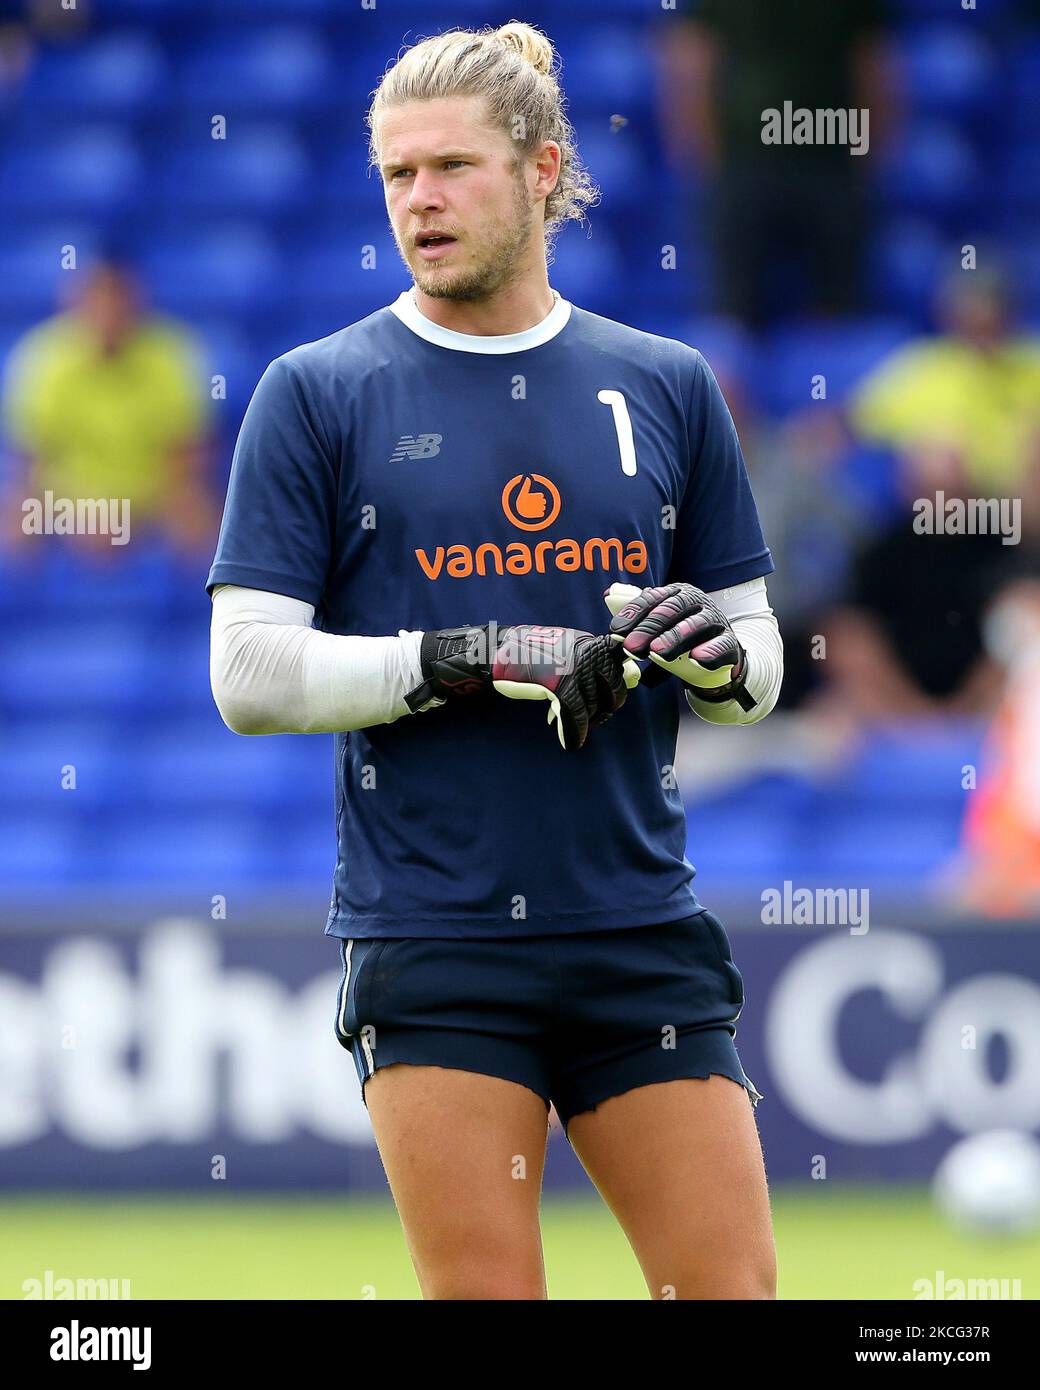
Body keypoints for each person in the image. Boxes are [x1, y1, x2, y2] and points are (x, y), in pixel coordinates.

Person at [207, 23, 783, 1301]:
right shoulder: (317, 391)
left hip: (640, 923)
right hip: (437, 935)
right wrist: (460, 655)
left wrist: (705, 654)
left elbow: (755, 667)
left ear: (540, 170)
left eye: (452, 167)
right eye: (398, 175)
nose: (420, 200)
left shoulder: (667, 383)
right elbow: (245, 674)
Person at [660, 0, 893, 325]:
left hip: (825, 158)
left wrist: (868, 152)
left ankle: (828, 370)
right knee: (732, 311)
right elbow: (695, 54)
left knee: (838, 313)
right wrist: (701, 148)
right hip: (750, 160)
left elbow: (870, 61)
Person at [2, 257, 214, 555]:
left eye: (116, 299)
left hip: (153, 500)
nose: (108, 312)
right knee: (17, 522)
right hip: (68, 501)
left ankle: (203, 598)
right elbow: (34, 462)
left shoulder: (170, 355)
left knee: (199, 519)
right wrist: (80, 511)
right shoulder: (44, 358)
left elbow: (185, 458)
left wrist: (130, 512)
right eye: (98, 300)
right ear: (78, 302)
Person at [851, 268, 1040, 496]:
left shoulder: (1032, 363)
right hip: (950, 507)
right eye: (971, 317)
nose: (982, 324)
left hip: (1022, 494)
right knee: (935, 461)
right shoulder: (921, 367)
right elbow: (857, 420)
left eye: (992, 314)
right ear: (950, 316)